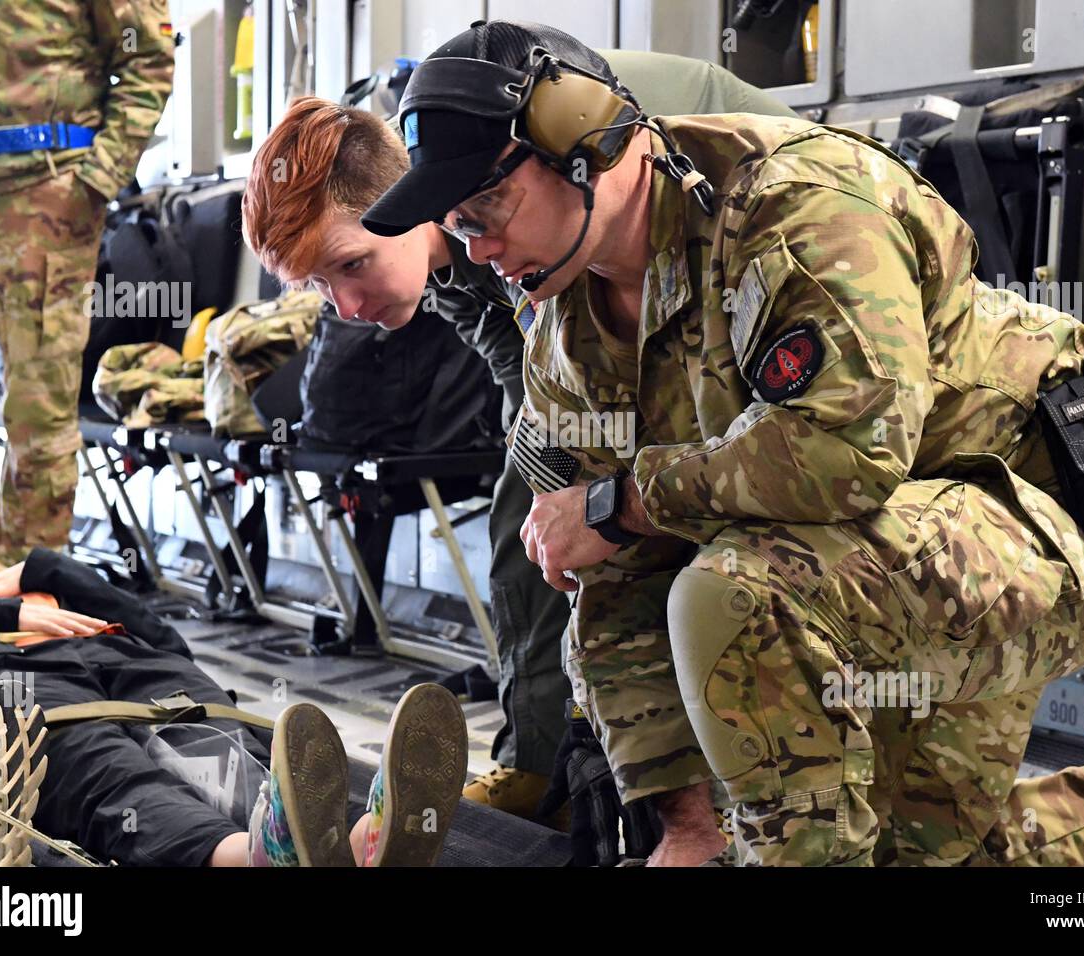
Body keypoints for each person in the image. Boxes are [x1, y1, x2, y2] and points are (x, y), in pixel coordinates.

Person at [358, 19, 1084, 867]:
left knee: (733, 590)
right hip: (864, 564)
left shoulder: (794, 203)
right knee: (931, 854)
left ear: (583, 144)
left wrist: (628, 500)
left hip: (1033, 526)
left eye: (487, 208)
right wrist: (684, 828)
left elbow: (843, 450)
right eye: (460, 227)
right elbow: (609, 576)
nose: (479, 246)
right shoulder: (566, 329)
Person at [240, 37, 797, 822]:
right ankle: (555, 763)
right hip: (632, 309)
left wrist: (595, 483)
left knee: (634, 518)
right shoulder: (459, 242)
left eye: (352, 265)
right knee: (536, 515)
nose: (349, 309)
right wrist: (550, 455)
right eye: (321, 286)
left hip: (738, 276)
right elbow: (515, 352)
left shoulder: (531, 165)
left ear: (406, 193)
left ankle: (694, 775)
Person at [0, 549, 467, 867]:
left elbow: (154, 628)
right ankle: (248, 855)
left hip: (117, 649)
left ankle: (353, 840)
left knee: (209, 724)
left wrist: (42, 567)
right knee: (97, 763)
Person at [0, 0, 175, 579]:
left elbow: (149, 61)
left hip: (44, 191)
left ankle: (22, 591)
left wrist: (95, 179)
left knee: (36, 407)